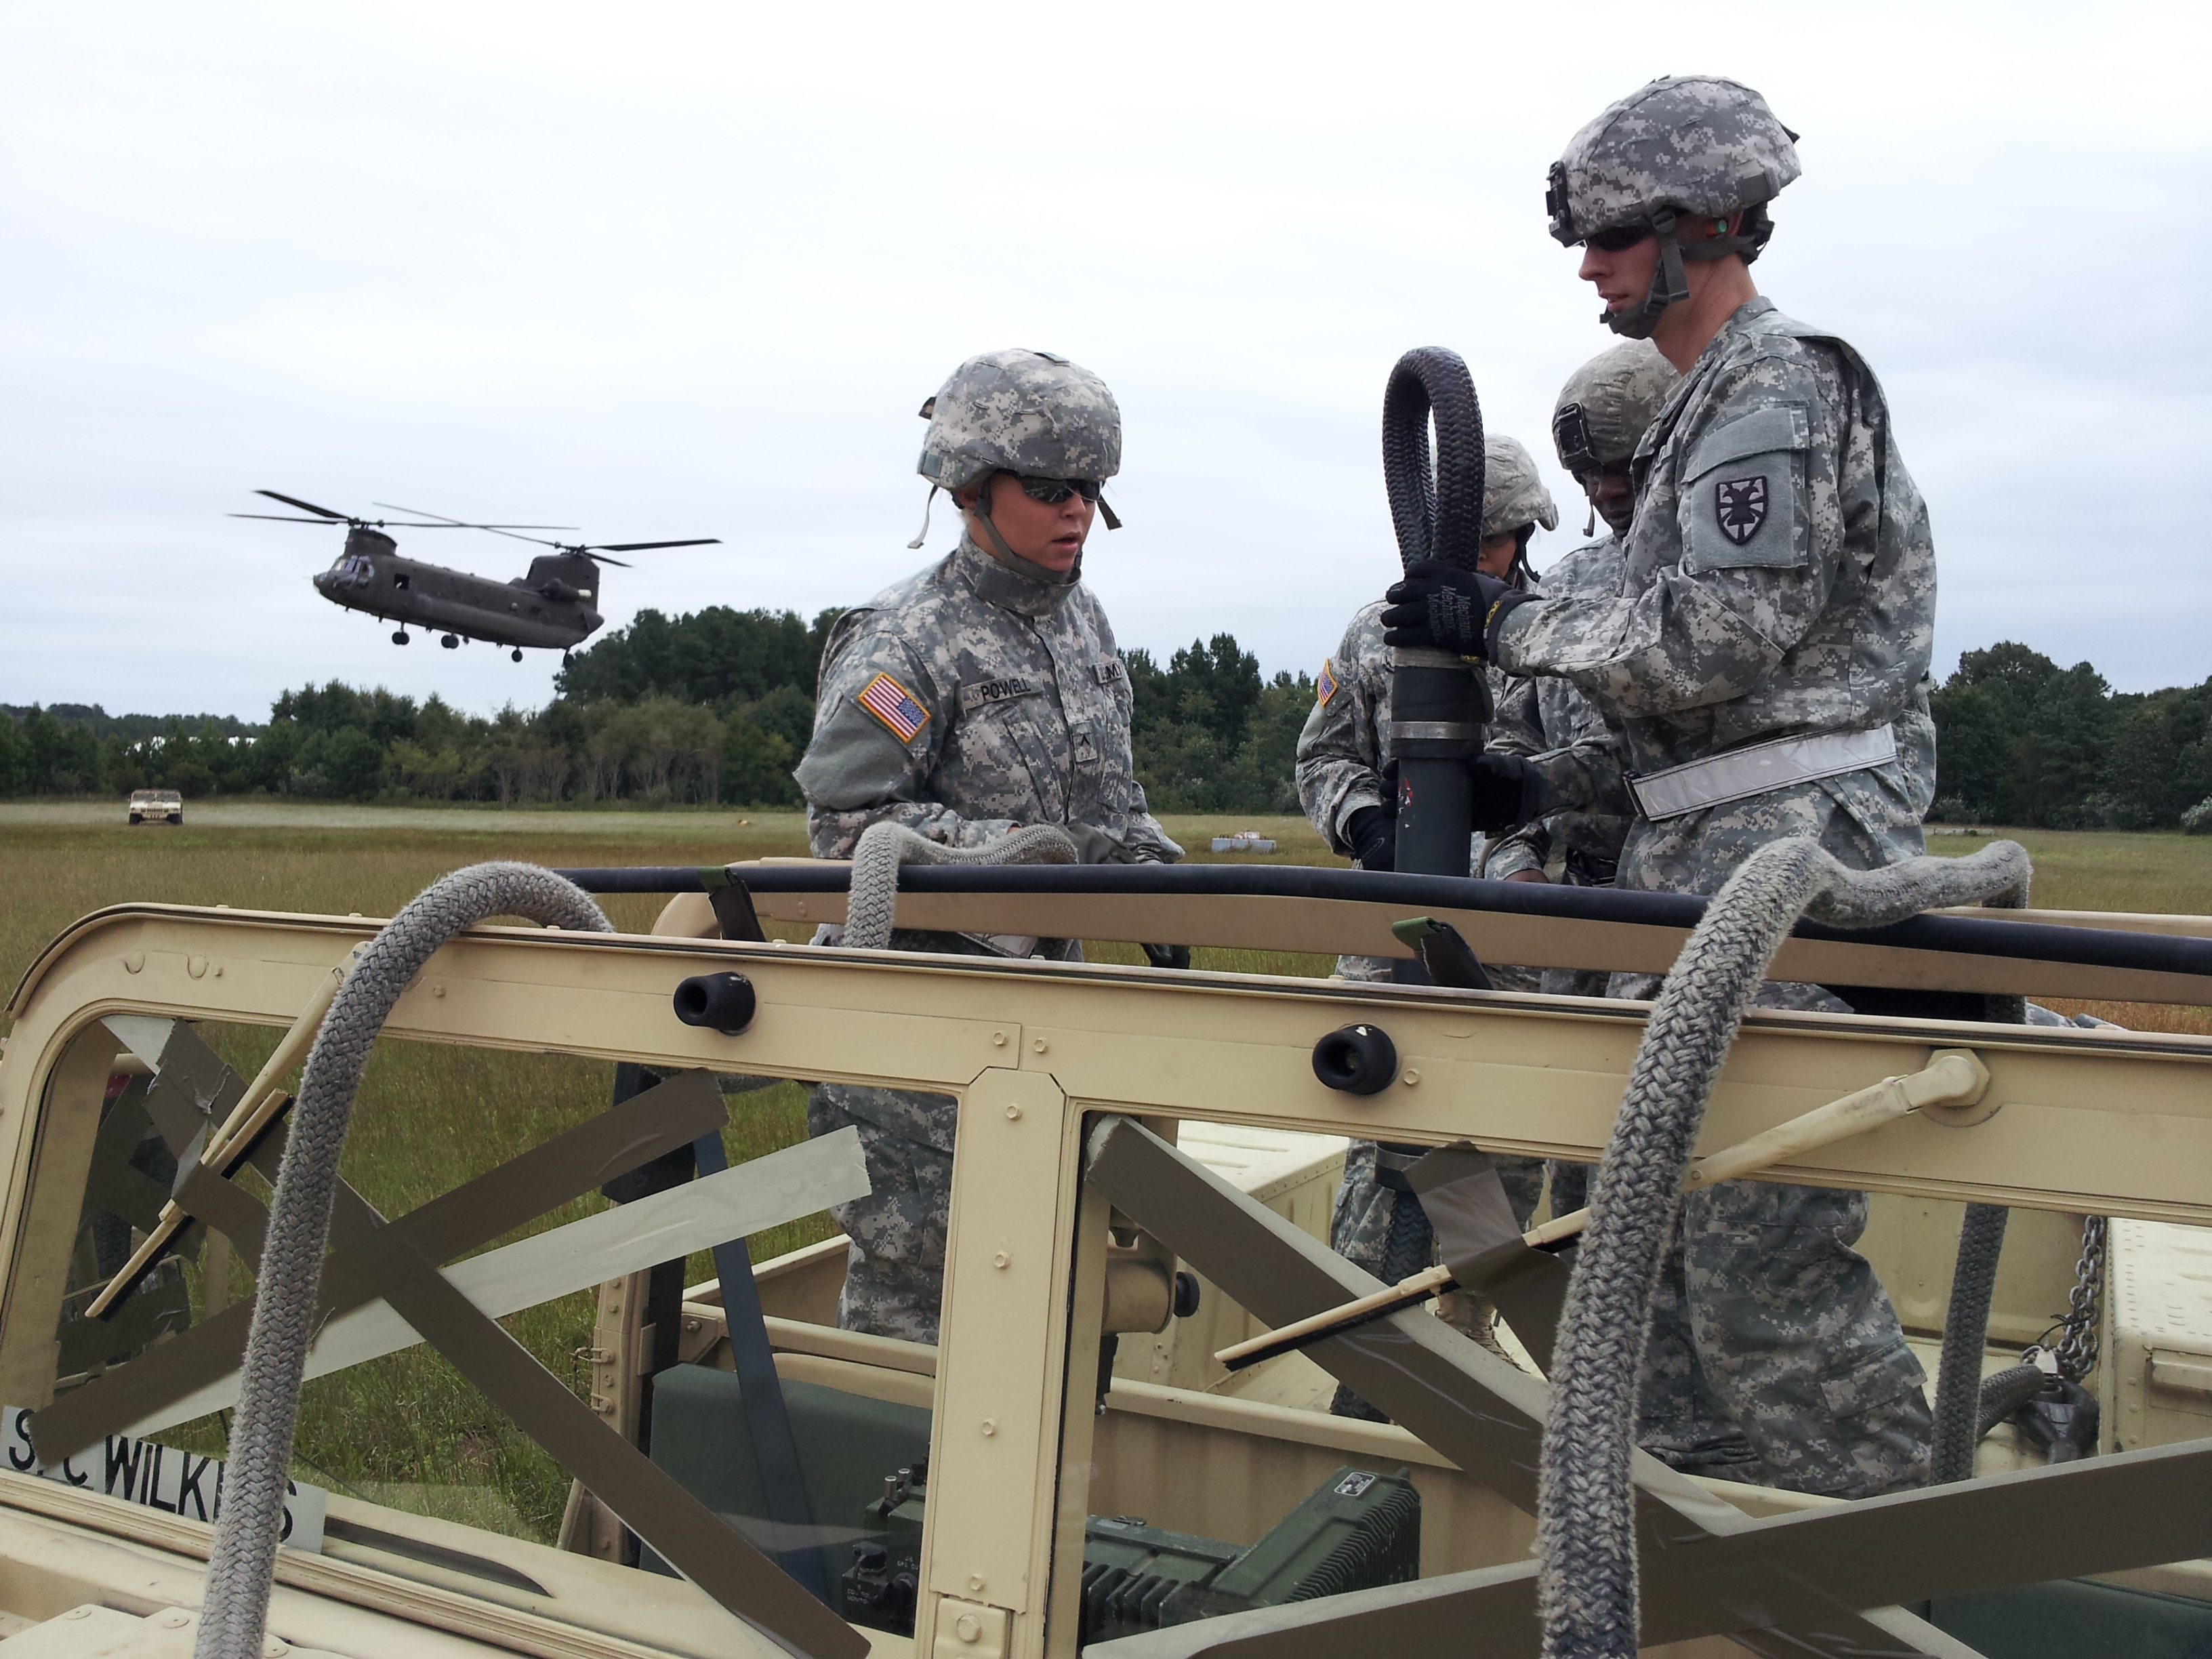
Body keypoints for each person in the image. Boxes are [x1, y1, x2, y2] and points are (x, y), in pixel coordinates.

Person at [1381, 77, 1938, 1497]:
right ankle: (1700, 1558)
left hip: (1788, 873)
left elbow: (1720, 641)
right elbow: (1684, 725)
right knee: (1673, 1271)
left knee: (1769, 1278)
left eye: (1616, 233)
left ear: (1702, 225)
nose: (1589, 264)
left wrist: (1502, 623)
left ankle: (1882, 1580)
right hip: (1704, 870)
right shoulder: (1703, 408)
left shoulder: (1776, 383)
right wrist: (1537, 782)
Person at [794, 348, 1181, 1342]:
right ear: (970, 487)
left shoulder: (1084, 626)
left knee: (1052, 1301)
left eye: (1091, 489)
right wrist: (1018, 850)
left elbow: (1116, 805)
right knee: (918, 1318)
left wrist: (1163, 881)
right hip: (926, 1053)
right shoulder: (904, 639)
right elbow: (846, 825)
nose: (1077, 513)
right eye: (1050, 488)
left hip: (1056, 1031)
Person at [1294, 434, 1556, 1405]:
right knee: (1387, 1182)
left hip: (1521, 964)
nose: (1482, 556)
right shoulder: (1376, 633)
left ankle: (1467, 1333)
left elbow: (1598, 775)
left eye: (1494, 540)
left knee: (1502, 1182)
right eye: (1470, 537)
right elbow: (1323, 759)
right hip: (1394, 960)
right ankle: (1366, 1384)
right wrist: (1367, 827)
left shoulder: (1557, 633)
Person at [1483, 343, 1678, 980]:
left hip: (1704, 909)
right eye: (1589, 473)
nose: (1610, 489)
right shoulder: (1559, 590)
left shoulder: (1734, 582)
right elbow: (1515, 740)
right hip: (1575, 927)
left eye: (1626, 464)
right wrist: (1519, 867)